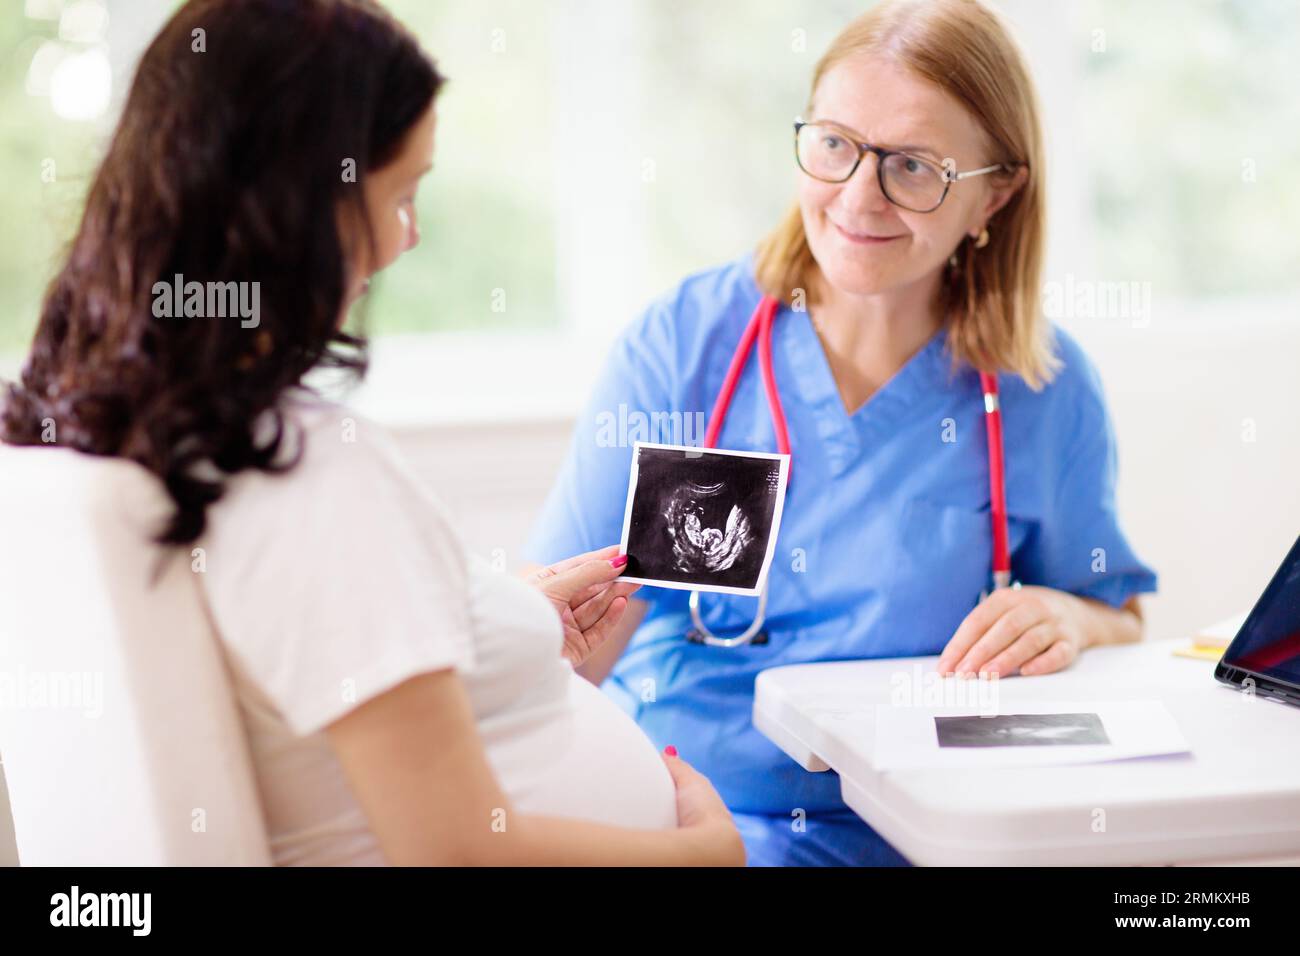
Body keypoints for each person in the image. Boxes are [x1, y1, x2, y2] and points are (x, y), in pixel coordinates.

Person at [0, 0, 743, 866]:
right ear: (295, 207)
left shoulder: (113, 438)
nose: (409, 239)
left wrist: (488, 633)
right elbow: (454, 851)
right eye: (400, 195)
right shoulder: (308, 471)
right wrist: (708, 856)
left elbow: (302, 690)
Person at [525, 0, 1158, 866]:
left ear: (996, 193)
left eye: (912, 166)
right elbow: (556, 653)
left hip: (940, 833)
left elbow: (1118, 611)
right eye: (834, 145)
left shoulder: (1043, 386)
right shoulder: (688, 348)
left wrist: (1068, 617)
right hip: (703, 825)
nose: (860, 196)